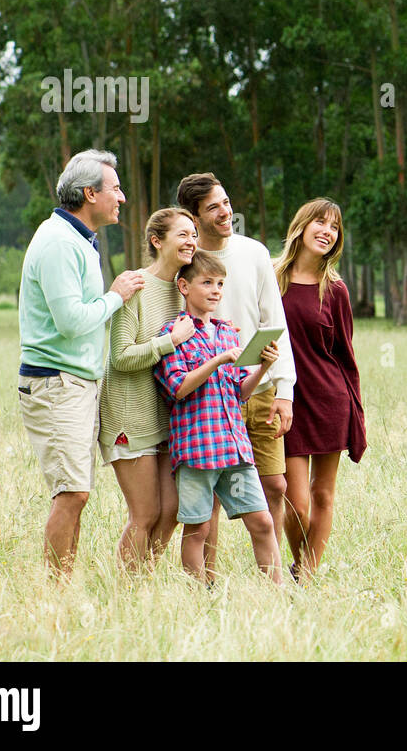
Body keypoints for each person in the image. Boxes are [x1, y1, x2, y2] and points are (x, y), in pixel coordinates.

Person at [17, 149, 145, 579]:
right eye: (115, 189)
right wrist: (118, 295)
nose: (122, 198)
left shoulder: (79, 240)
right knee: (71, 494)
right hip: (56, 384)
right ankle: (55, 593)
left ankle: (62, 587)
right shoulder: (57, 242)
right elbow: (71, 322)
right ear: (90, 193)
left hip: (77, 385)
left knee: (77, 493)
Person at [176, 173, 295, 581]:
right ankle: (208, 579)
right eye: (213, 207)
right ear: (193, 216)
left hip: (257, 389)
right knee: (206, 499)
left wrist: (285, 391)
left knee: (274, 485)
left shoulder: (255, 253)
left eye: (226, 202)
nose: (226, 212)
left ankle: (270, 579)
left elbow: (274, 321)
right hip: (206, 399)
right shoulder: (185, 262)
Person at [154, 250, 283, 585]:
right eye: (207, 282)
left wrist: (264, 367)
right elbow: (178, 388)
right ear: (183, 286)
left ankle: (279, 593)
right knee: (198, 528)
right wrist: (218, 360)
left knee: (262, 522)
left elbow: (240, 391)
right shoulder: (173, 334)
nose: (216, 290)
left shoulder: (228, 332)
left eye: (220, 284)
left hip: (233, 448)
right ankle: (202, 595)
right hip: (198, 451)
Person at [99, 208, 199, 571]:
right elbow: (121, 358)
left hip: (166, 419)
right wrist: (169, 341)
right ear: (157, 241)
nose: (191, 242)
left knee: (171, 510)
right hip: (129, 417)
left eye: (194, 235)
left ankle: (144, 581)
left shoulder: (181, 290)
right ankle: (125, 590)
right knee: (144, 513)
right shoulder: (135, 286)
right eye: (183, 235)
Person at [274, 198, 366, 580]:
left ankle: (307, 579)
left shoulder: (337, 290)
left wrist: (356, 412)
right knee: (294, 503)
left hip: (330, 400)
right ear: (302, 225)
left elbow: (346, 355)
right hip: (287, 400)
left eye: (334, 227)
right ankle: (301, 564)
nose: (327, 231)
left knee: (323, 495)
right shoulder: (272, 278)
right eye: (320, 222)